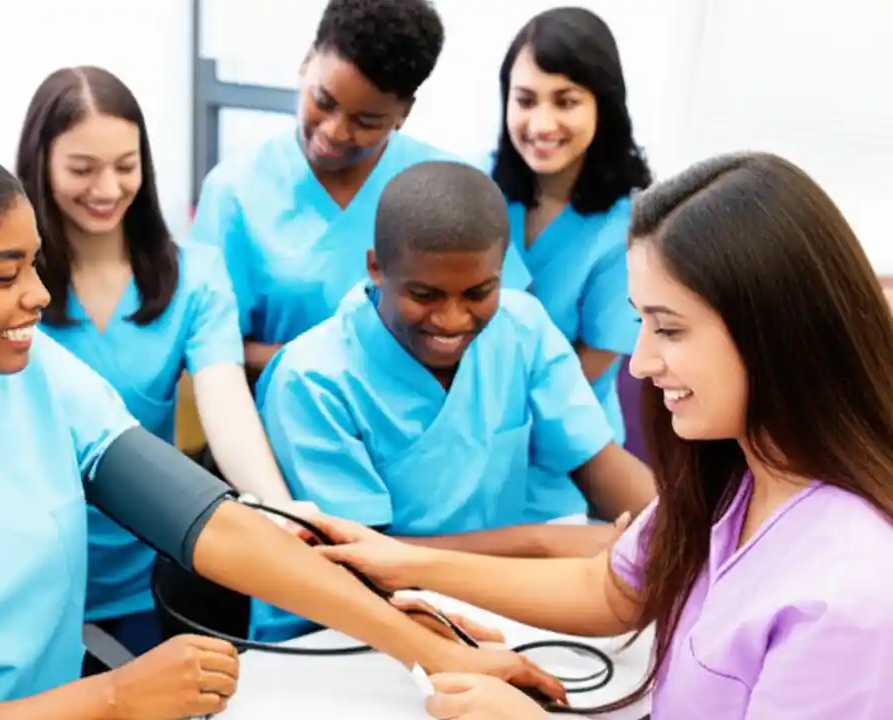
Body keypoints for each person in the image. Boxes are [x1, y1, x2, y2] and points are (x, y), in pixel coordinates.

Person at [0, 133, 569, 718]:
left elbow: (214, 526)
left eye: (34, 264)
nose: (37, 295)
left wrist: (431, 647)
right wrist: (111, 698)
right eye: (4, 274)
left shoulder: (34, 377)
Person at [306, 152, 893, 718]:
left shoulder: (850, 593)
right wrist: (406, 562)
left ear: (774, 330)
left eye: (669, 329)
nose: (640, 363)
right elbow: (612, 590)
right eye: (641, 321)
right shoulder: (739, 475)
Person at [252, 160, 654, 642]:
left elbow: (596, 463)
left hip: (479, 598)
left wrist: (679, 533)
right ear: (376, 268)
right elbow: (362, 559)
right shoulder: (312, 379)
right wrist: (542, 543)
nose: (452, 319)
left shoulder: (521, 327)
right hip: (336, 626)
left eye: (479, 292)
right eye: (424, 295)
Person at [15, 65, 308, 657]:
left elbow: (228, 410)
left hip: (141, 573)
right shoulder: (8, 281)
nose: (106, 189)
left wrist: (281, 511)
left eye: (125, 166)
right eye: (82, 169)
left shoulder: (195, 278)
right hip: (24, 579)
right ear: (40, 164)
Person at [191, 0, 532, 381]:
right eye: (323, 101)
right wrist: (333, 366)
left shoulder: (453, 186)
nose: (334, 132)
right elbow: (208, 346)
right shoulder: (235, 191)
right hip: (289, 407)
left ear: (403, 114)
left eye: (366, 121)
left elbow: (509, 328)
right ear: (307, 61)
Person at [486, 7, 653, 446]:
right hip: (466, 424)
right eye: (525, 100)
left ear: (604, 104)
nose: (541, 125)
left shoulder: (632, 227)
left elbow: (589, 362)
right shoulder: (474, 185)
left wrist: (489, 424)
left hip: (565, 441)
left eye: (566, 101)